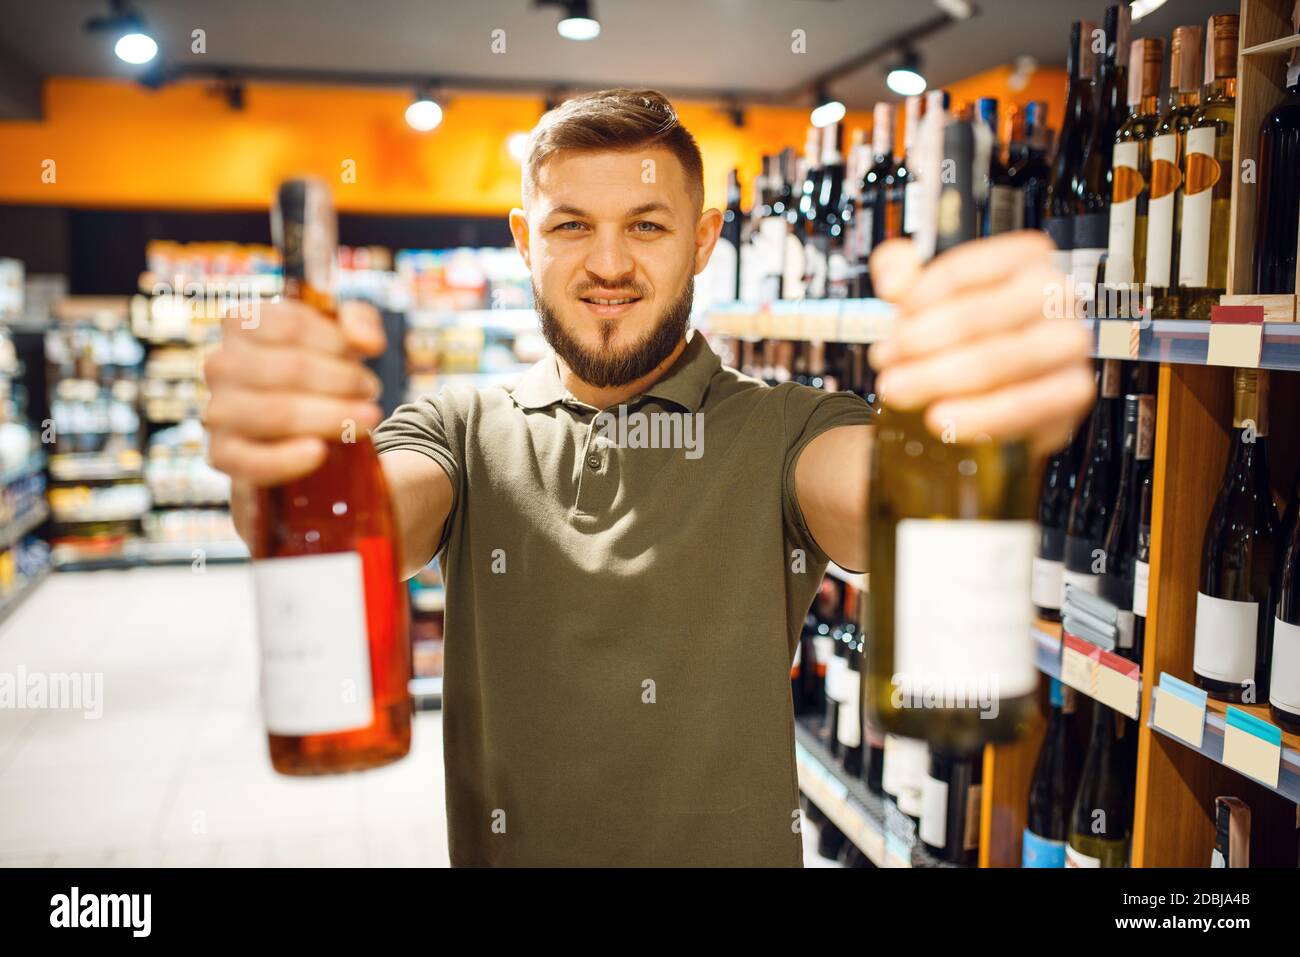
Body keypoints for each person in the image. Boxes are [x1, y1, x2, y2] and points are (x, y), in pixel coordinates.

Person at [205, 88, 1092, 866]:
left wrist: (975, 424)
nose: (609, 265)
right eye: (570, 226)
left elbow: (882, 496)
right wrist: (278, 470)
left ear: (704, 240)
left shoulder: (786, 426)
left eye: (647, 224)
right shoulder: (457, 427)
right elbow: (378, 516)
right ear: (524, 240)